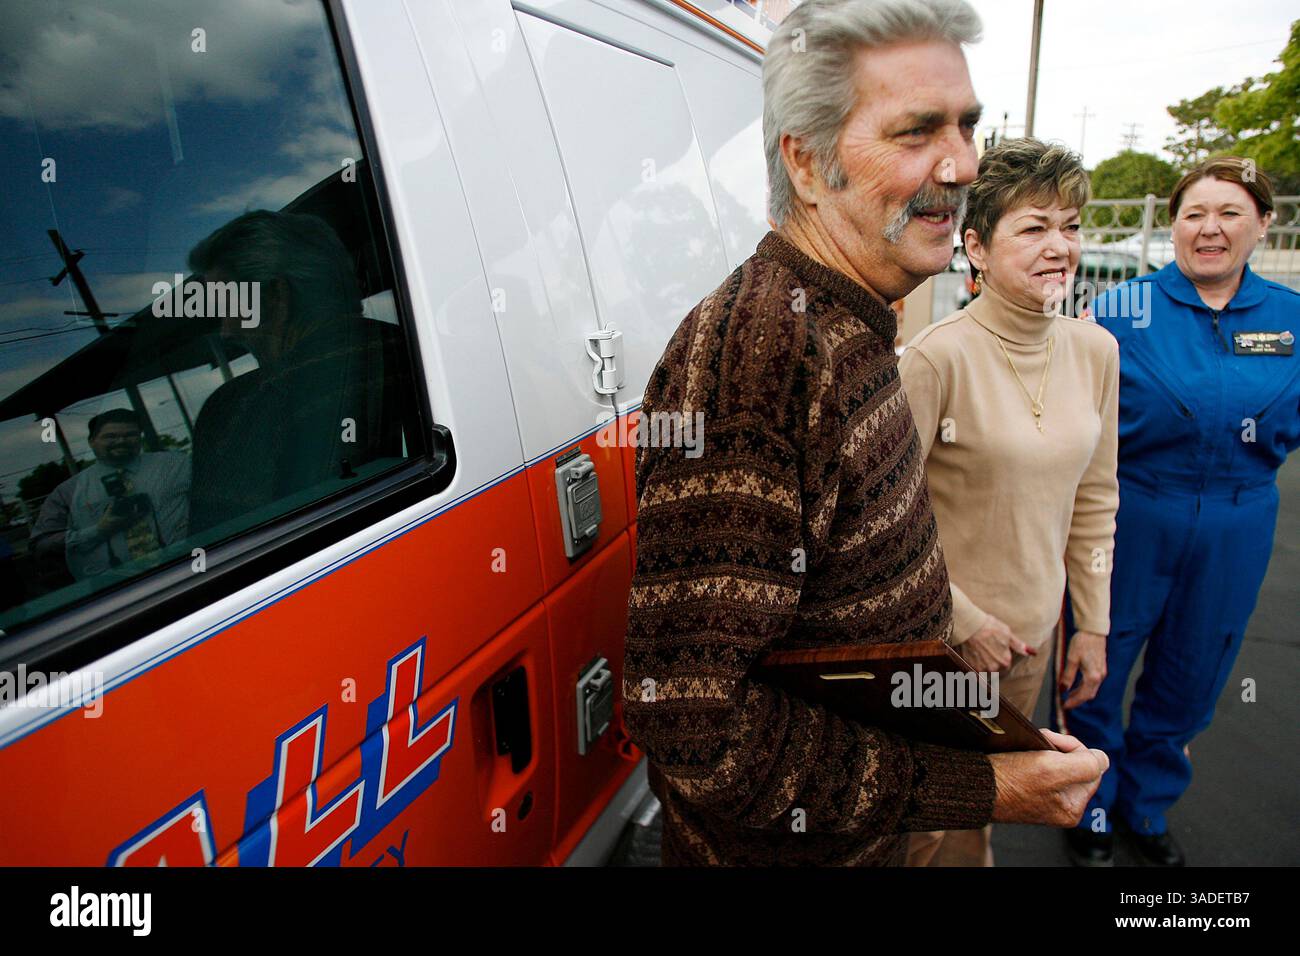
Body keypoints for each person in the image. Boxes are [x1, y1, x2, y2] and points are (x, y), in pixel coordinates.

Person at [621, 0, 1108, 867]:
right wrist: (986, 787)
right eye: (916, 131)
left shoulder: (849, 321)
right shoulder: (762, 359)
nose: (960, 165)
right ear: (806, 164)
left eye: (967, 126)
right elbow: (695, 728)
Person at [1065, 158, 1300, 867]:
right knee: (1095, 665)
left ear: (1265, 223)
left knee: (1194, 671)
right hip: (1133, 511)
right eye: (1195, 213)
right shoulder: (1117, 310)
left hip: (1239, 518)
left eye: (1231, 212)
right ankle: (1090, 806)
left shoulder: (1293, 320)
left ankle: (1146, 805)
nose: (1210, 228)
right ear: (1173, 226)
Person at [898, 138, 1118, 866]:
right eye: (1034, 227)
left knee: (982, 820)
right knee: (929, 828)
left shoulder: (1096, 351)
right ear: (976, 248)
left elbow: (1095, 497)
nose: (1060, 245)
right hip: (943, 646)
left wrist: (1092, 625)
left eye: (1072, 226)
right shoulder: (936, 357)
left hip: (1031, 640)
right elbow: (883, 520)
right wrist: (967, 618)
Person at [186, 210, 399, 537]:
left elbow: (220, 550)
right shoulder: (404, 348)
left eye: (228, 306)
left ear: (277, 296)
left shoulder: (238, 408)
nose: (226, 331)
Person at [30, 409, 190, 580]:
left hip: (186, 568)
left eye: (131, 434)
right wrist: (99, 530)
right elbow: (41, 545)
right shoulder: (69, 491)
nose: (121, 441)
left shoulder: (175, 465)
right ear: (91, 442)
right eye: (110, 436)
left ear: (140, 436)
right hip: (112, 590)